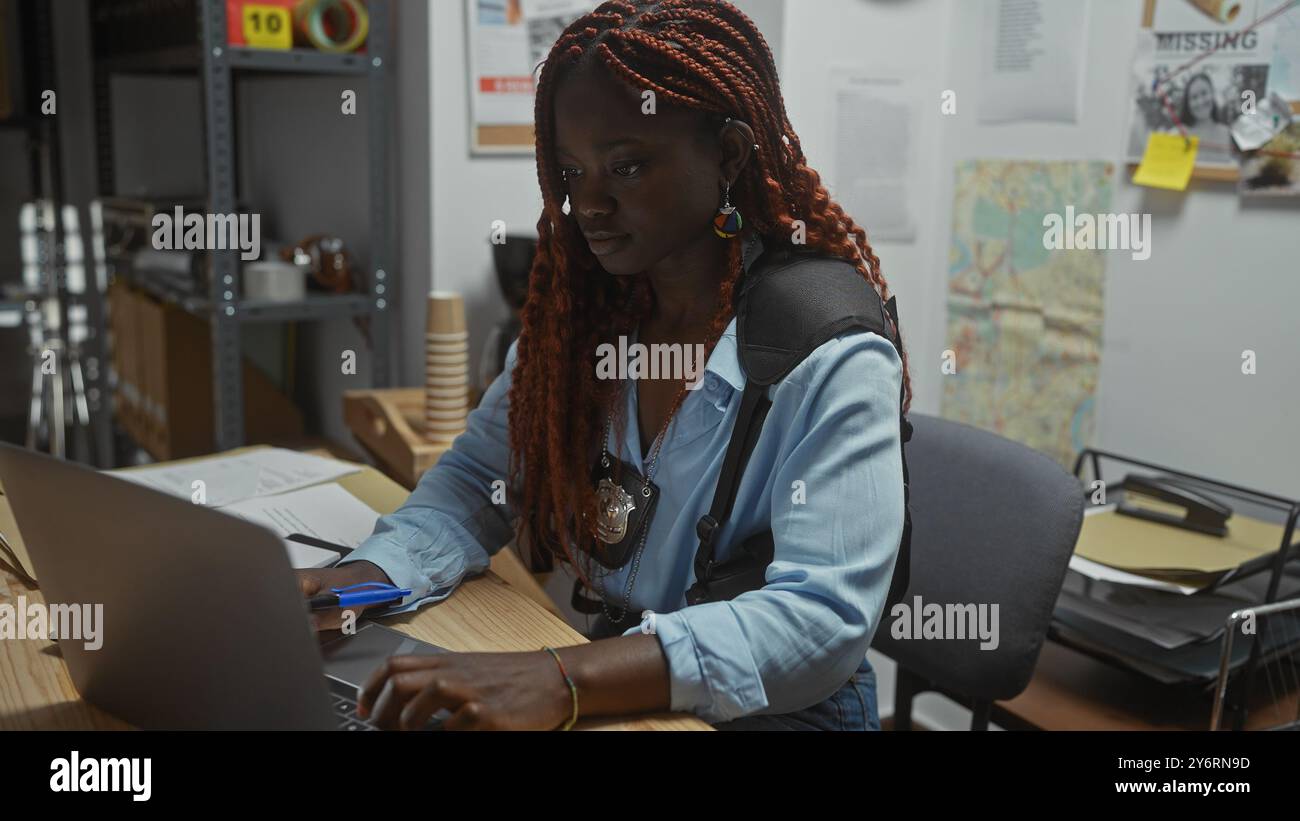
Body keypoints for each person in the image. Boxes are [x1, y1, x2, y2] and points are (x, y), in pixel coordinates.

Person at [299, 0, 911, 731]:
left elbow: (823, 622)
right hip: (619, 679)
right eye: (569, 170)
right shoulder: (590, 314)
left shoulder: (827, 348)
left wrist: (562, 677)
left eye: (626, 165)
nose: (587, 203)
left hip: (777, 711)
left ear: (731, 155)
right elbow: (478, 482)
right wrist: (361, 587)